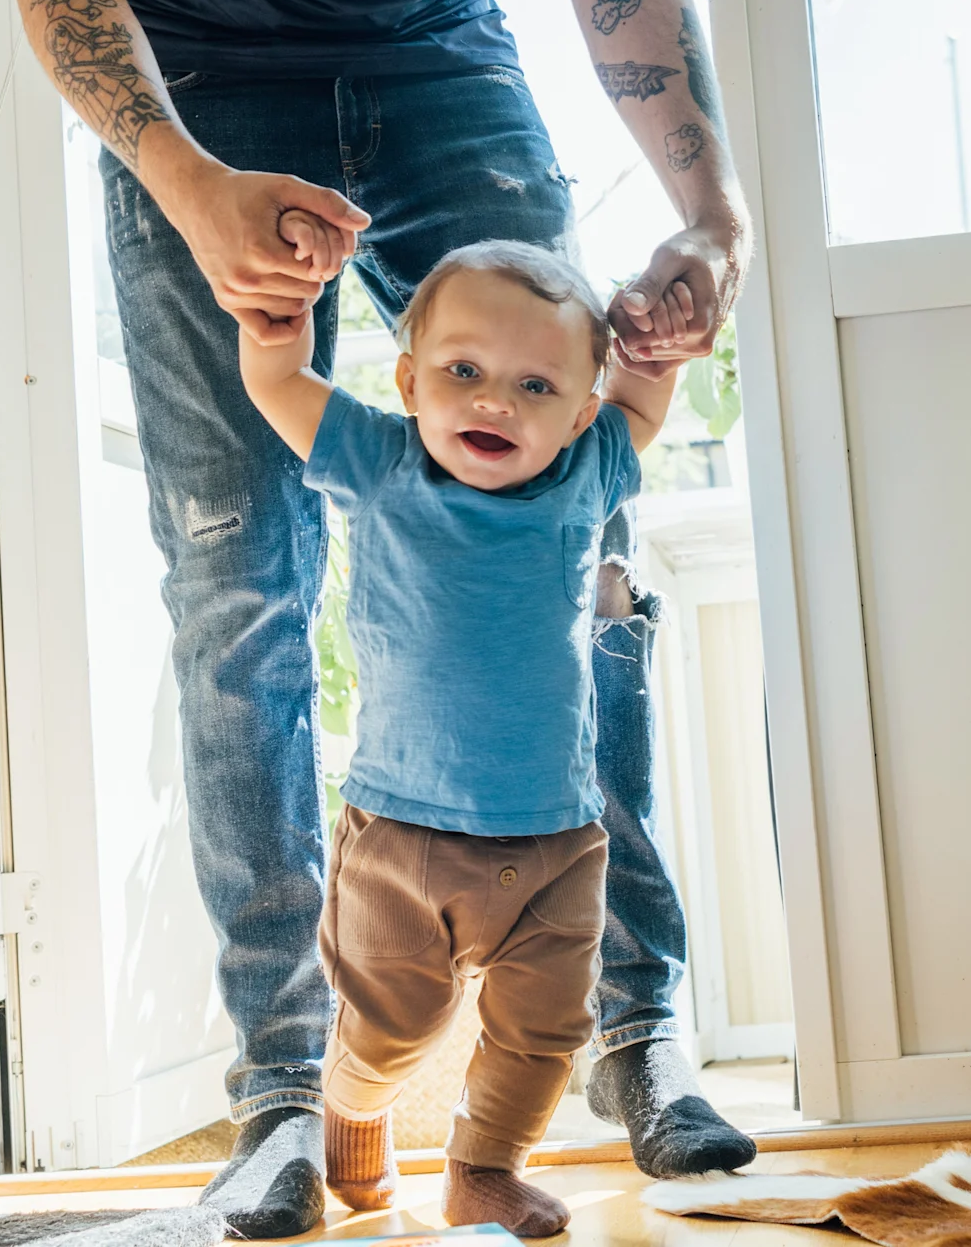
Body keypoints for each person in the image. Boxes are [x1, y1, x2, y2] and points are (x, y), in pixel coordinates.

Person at [7, 0, 757, 1235]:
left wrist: (713, 208)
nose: (497, 406)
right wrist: (184, 185)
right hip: (194, 74)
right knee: (232, 575)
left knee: (586, 540)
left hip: (442, 55)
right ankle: (290, 1094)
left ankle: (630, 1027)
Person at [242, 229, 676, 1237]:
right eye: (464, 371)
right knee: (396, 1030)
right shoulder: (383, 464)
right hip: (403, 833)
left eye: (536, 388)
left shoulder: (582, 477)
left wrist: (653, 353)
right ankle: (351, 1108)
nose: (493, 402)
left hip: (558, 839)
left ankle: (483, 1167)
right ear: (408, 380)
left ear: (577, 418)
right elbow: (283, 391)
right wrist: (274, 339)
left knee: (546, 1030)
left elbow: (643, 404)